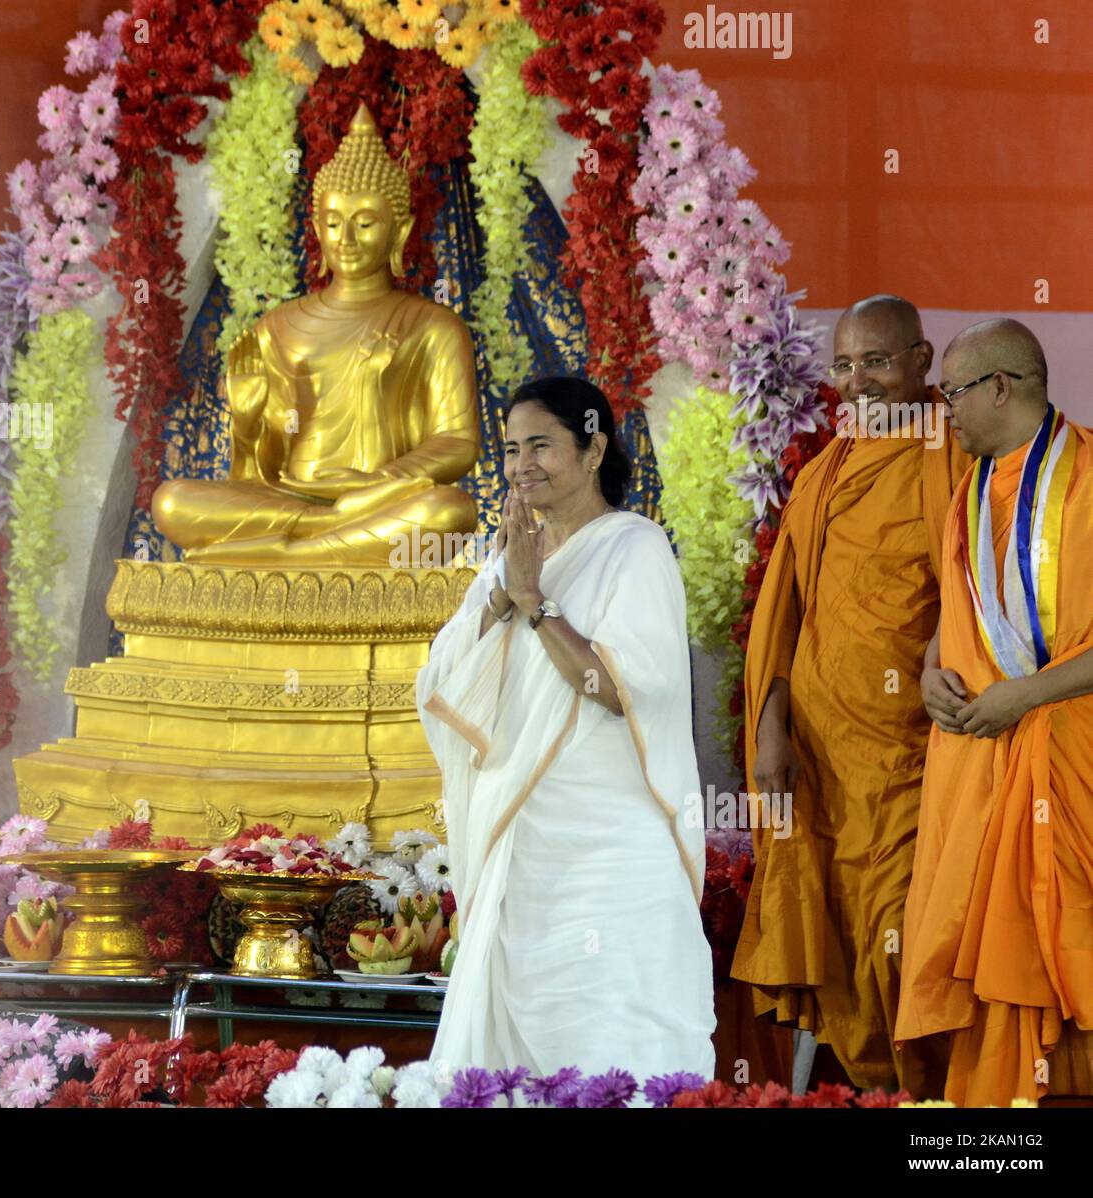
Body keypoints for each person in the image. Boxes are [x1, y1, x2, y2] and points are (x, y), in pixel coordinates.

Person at [418, 375, 716, 1083]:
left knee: (615, 1045)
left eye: (543, 445)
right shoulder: (503, 563)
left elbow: (619, 689)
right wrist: (502, 594)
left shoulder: (635, 549)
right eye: (513, 448)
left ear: (593, 450)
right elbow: (440, 688)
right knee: (514, 1064)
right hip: (522, 846)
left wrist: (535, 602)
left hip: (610, 851)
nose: (523, 464)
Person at [732, 295, 970, 1095]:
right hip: (820, 753)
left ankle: (925, 1098)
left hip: (921, 749)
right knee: (833, 926)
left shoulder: (960, 456)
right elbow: (780, 616)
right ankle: (855, 1089)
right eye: (843, 365)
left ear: (921, 359)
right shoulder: (825, 471)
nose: (856, 381)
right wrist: (769, 728)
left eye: (875, 360)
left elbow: (986, 598)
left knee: (903, 925)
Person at [896, 319, 1093, 1106]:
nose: (945, 411)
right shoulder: (970, 492)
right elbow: (959, 613)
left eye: (952, 393)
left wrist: (1026, 694)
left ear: (1001, 387)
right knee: (988, 965)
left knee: (1067, 951)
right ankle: (994, 1123)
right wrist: (928, 669)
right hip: (980, 770)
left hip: (1068, 759)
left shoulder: (1085, 479)